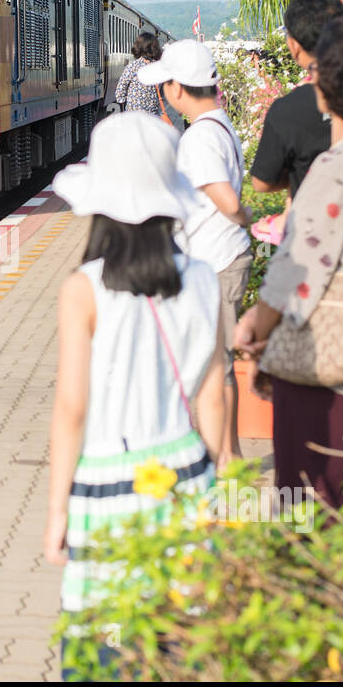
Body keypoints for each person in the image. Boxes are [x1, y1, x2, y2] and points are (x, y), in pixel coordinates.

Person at [44, 111, 226, 675]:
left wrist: (57, 513)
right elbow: (215, 393)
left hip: (109, 484)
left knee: (104, 650)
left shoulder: (84, 289)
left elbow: (72, 409)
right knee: (177, 642)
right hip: (186, 477)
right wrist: (218, 488)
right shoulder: (203, 278)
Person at [233, 17, 343, 509]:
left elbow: (298, 267)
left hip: (326, 370)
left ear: (324, 86)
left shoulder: (334, 167)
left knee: (312, 504)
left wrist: (254, 322)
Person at [140, 40, 251, 470]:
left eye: (165, 84)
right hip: (222, 258)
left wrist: (246, 217)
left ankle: (223, 460)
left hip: (216, 260)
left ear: (177, 88)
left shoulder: (200, 136)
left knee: (215, 367)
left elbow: (222, 196)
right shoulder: (218, 124)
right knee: (217, 365)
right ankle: (230, 454)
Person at [248, 0, 343, 244]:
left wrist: (297, 171)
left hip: (314, 239)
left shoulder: (287, 109)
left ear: (293, 44)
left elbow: (261, 182)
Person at [114, 32, 164, 115]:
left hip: (133, 116)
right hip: (152, 116)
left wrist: (128, 101)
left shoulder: (133, 67)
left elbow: (120, 91)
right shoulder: (159, 68)